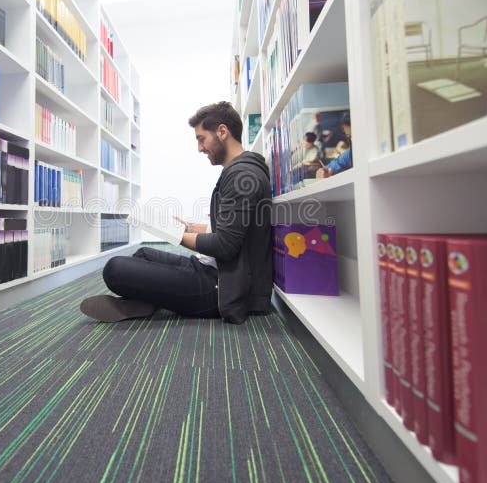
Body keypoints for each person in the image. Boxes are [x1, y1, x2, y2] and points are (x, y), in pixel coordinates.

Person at [79, 101, 273, 324]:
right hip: (212, 268)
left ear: (222, 132)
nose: (199, 148)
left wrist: (173, 234)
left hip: (221, 287)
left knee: (114, 269)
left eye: (201, 139)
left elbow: (225, 246)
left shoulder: (242, 177)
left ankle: (148, 301)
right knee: (143, 254)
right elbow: (231, 228)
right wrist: (187, 227)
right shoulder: (241, 171)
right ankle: (149, 301)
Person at [316, 112, 352, 179]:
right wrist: (325, 170)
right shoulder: (351, 153)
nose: (351, 139)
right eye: (348, 136)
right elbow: (338, 163)